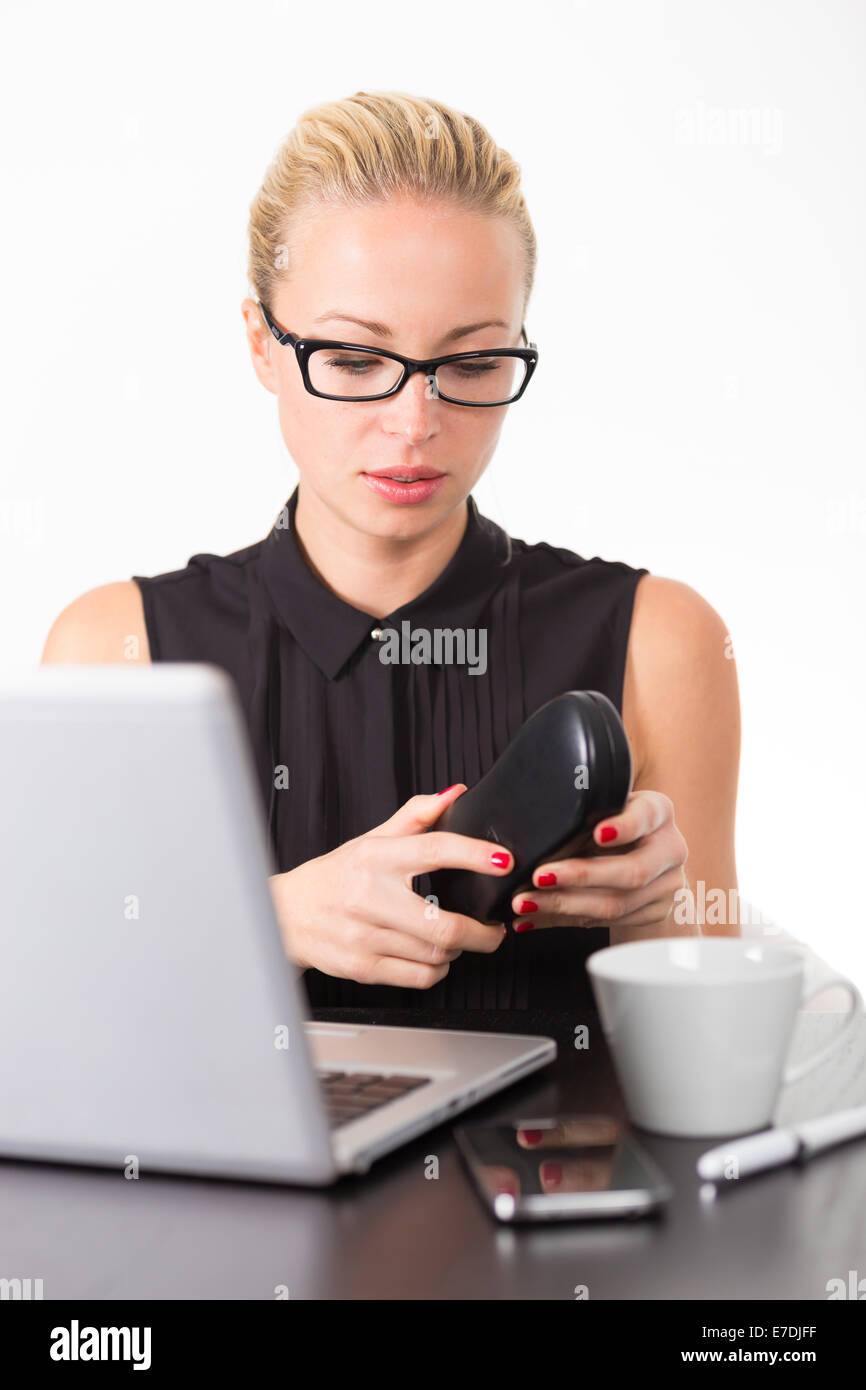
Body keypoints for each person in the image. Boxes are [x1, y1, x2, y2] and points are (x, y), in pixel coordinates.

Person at [41, 90, 740, 1011]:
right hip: (236, 1164)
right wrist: (274, 920)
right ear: (262, 345)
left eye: (474, 363)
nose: (416, 424)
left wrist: (653, 913)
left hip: (563, 1159)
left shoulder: (661, 638)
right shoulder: (115, 650)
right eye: (356, 362)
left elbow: (712, 1058)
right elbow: (55, 1012)